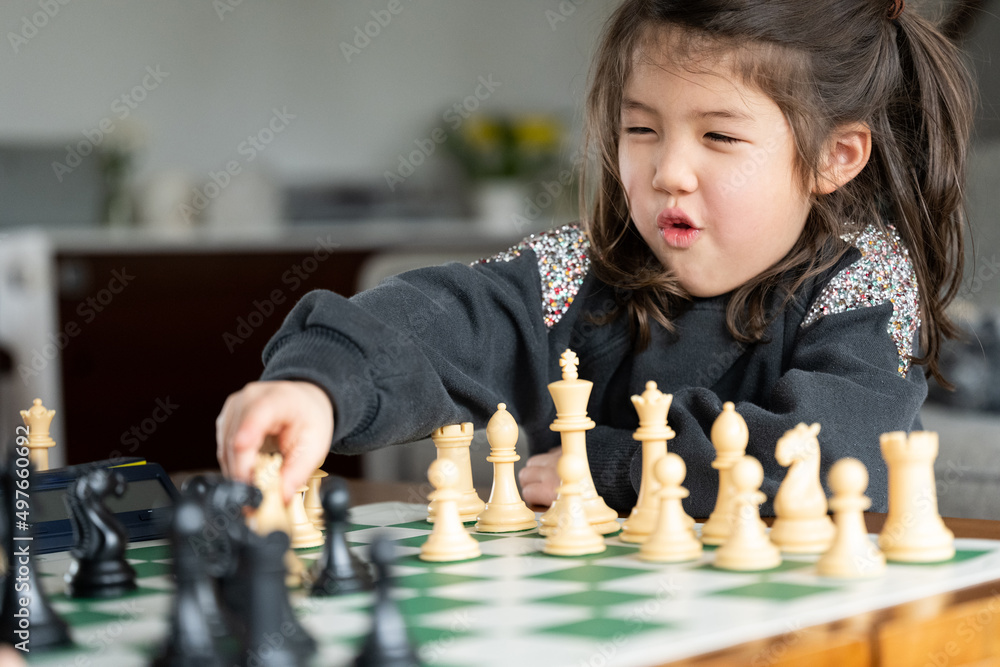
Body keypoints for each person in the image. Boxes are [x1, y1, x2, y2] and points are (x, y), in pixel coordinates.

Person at [216, 0, 973, 517]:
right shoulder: (585, 268)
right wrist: (319, 385)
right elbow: (443, 320)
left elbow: (826, 465)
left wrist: (610, 468)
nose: (668, 170)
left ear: (835, 156)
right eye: (642, 129)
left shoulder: (864, 286)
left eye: (719, 136)